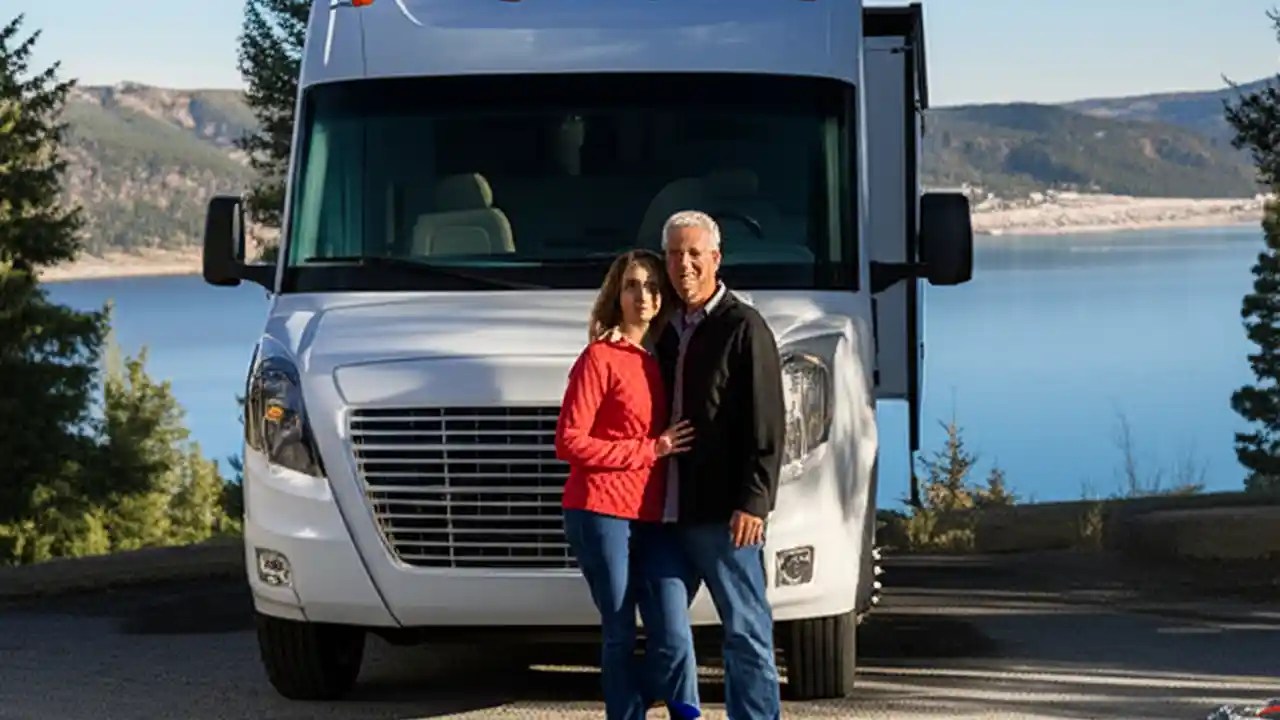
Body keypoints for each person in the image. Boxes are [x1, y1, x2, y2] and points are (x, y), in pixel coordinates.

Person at [555, 249, 703, 720]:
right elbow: (569, 442)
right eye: (632, 286)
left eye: (653, 287)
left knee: (673, 631)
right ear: (616, 295)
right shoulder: (599, 357)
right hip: (600, 511)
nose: (643, 296)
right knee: (619, 630)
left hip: (656, 516)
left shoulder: (665, 356)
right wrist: (649, 450)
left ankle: (671, 707)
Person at [655, 210, 787, 720]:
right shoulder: (660, 328)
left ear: (716, 258)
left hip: (724, 514)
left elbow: (767, 421)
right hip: (664, 512)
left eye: (694, 253)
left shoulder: (743, 326)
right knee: (667, 634)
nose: (684, 264)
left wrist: (755, 500)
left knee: (745, 630)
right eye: (674, 254)